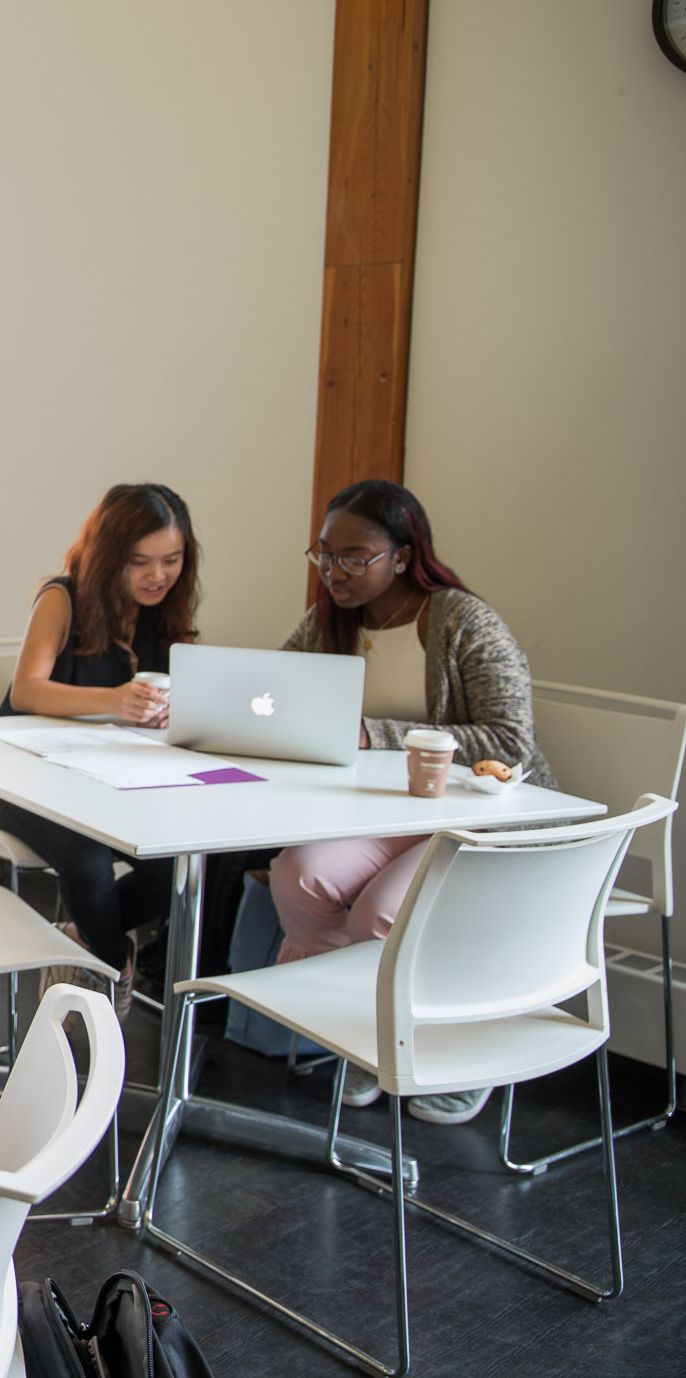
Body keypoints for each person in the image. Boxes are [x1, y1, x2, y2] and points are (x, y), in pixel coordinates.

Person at [271, 479, 554, 1124]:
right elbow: (279, 692)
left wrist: (378, 734)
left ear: (402, 555)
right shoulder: (328, 622)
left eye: (354, 557)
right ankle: (365, 1034)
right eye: (323, 554)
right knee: (299, 876)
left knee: (381, 913)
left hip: (475, 812)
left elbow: (511, 740)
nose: (334, 571)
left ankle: (455, 1042)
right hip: (384, 809)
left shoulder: (461, 620)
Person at [0, 483, 202, 1005]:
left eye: (171, 560)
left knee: (178, 860)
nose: (157, 576)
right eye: (139, 562)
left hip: (106, 781)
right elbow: (27, 690)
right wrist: (115, 701)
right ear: (109, 557)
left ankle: (83, 942)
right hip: (17, 778)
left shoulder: (165, 614)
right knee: (88, 860)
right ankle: (110, 968)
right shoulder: (63, 597)